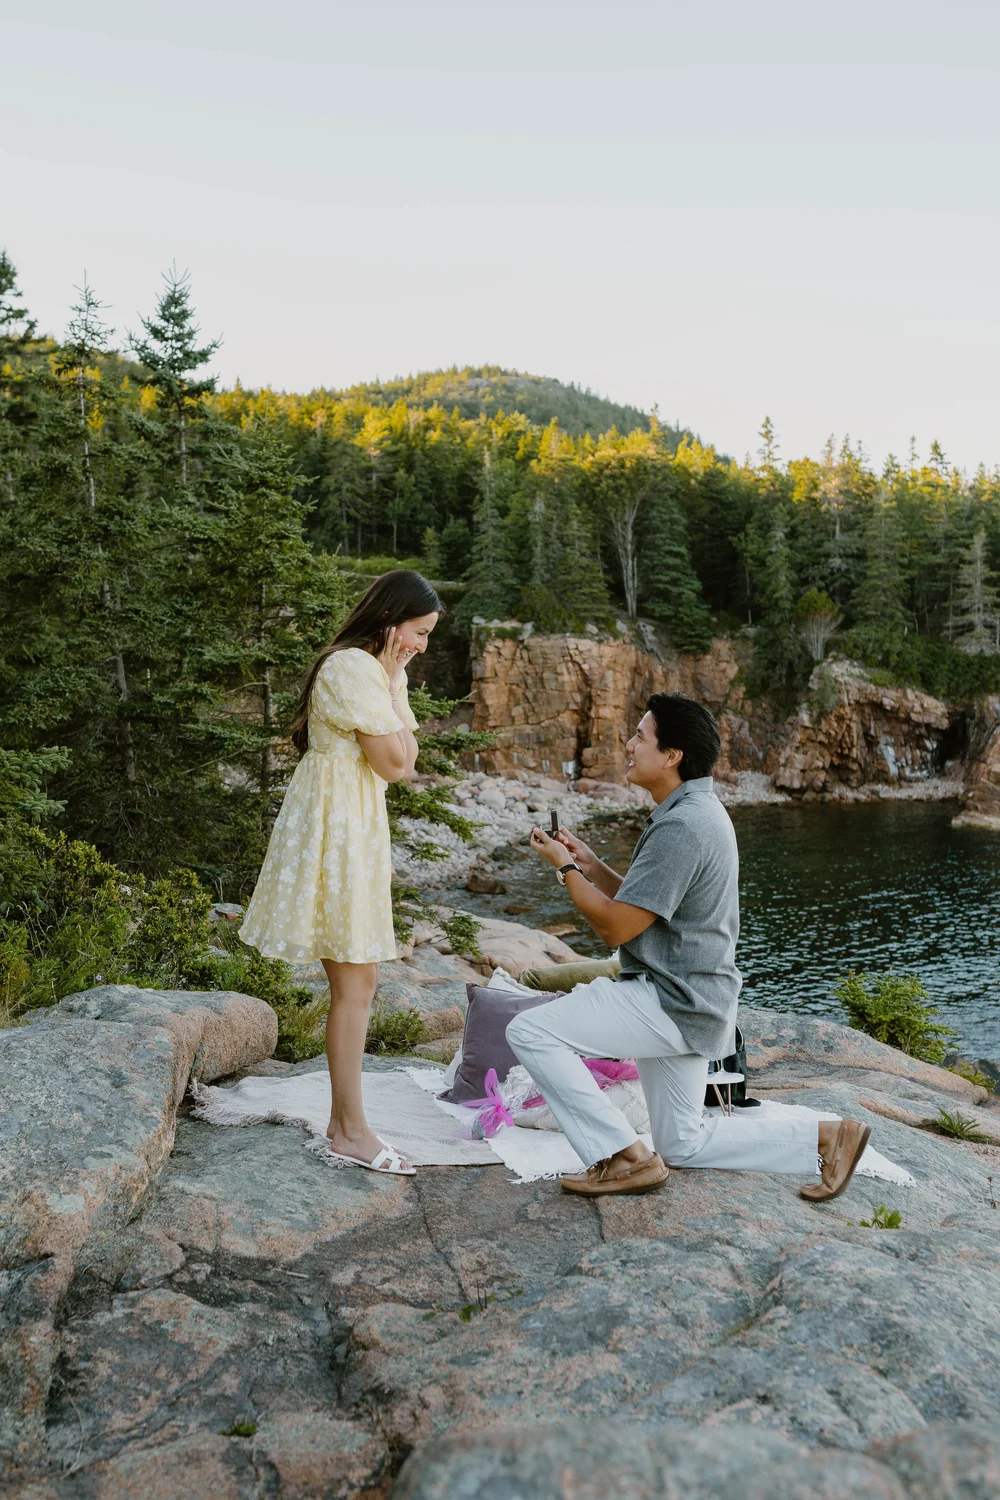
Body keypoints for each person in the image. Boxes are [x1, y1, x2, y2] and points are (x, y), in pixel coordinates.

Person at [507, 692, 871, 1200]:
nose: (628, 744)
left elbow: (615, 928)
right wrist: (589, 864)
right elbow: (646, 905)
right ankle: (826, 1138)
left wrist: (564, 868)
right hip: (697, 1001)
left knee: (529, 1031)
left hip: (669, 999)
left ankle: (622, 1156)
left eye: (640, 736)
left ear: (672, 756)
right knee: (681, 1144)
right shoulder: (695, 810)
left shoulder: (682, 825)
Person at [240, 570, 441, 1175]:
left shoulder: (374, 671)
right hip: (338, 830)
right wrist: (394, 689)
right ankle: (350, 1130)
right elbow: (393, 763)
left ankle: (343, 1122)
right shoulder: (354, 667)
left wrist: (397, 684)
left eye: (428, 636)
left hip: (350, 824)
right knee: (355, 986)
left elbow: (406, 759)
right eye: (418, 631)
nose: (421, 645)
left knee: (360, 983)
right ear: (389, 620)